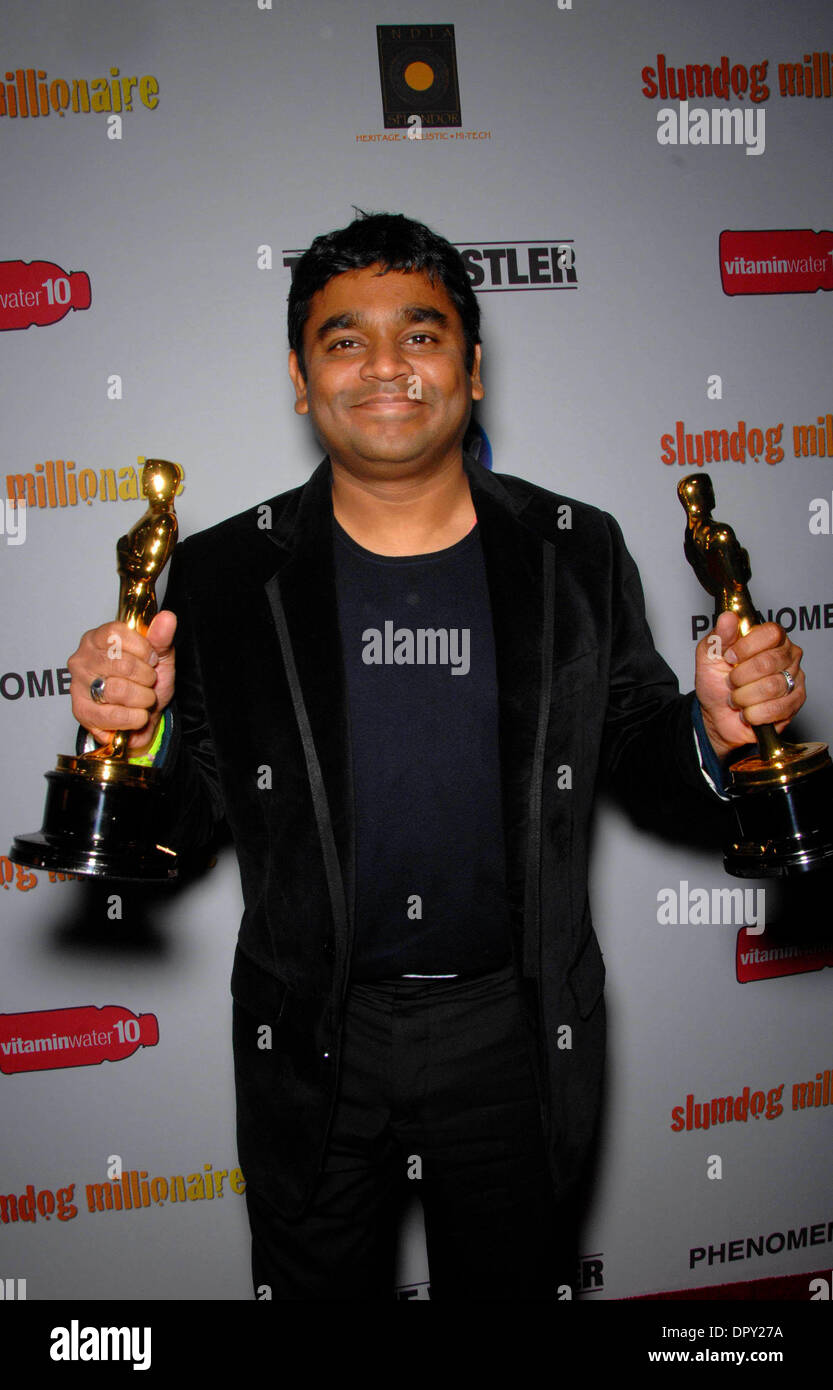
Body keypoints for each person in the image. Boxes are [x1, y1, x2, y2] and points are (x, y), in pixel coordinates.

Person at [67, 212, 806, 1300]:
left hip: (510, 1038)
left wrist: (716, 735)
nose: (384, 366)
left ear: (469, 361)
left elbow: (645, 756)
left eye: (419, 334)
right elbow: (195, 812)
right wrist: (135, 739)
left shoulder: (576, 547)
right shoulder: (224, 570)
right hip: (313, 1037)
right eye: (342, 339)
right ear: (299, 373)